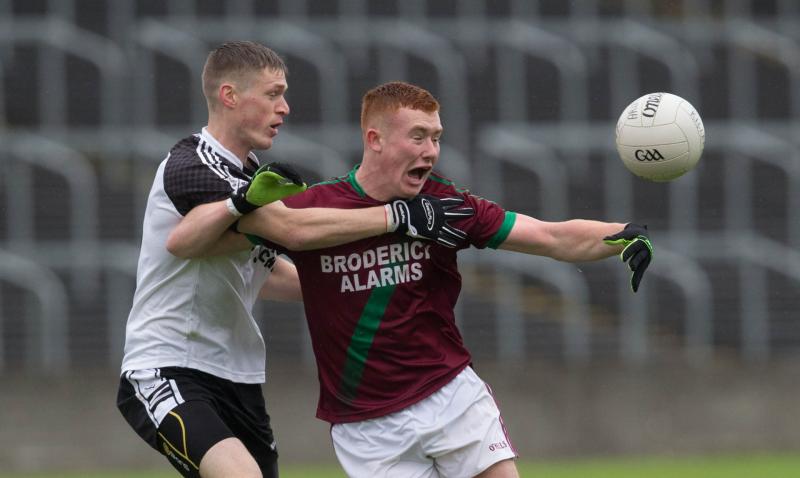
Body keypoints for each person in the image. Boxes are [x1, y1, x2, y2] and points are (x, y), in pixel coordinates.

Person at [238, 81, 654, 478]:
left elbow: (549, 236)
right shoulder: (312, 209)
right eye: (418, 136)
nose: (431, 151)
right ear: (375, 139)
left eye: (436, 137)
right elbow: (236, 249)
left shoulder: (445, 205)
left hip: (450, 394)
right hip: (366, 423)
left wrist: (619, 235)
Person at [116, 43, 470, 478]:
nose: (284, 108)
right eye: (272, 94)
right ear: (229, 96)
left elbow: (266, 274)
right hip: (168, 365)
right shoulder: (192, 165)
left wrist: (355, 283)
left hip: (237, 374)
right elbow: (292, 231)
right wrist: (397, 217)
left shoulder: (255, 177)